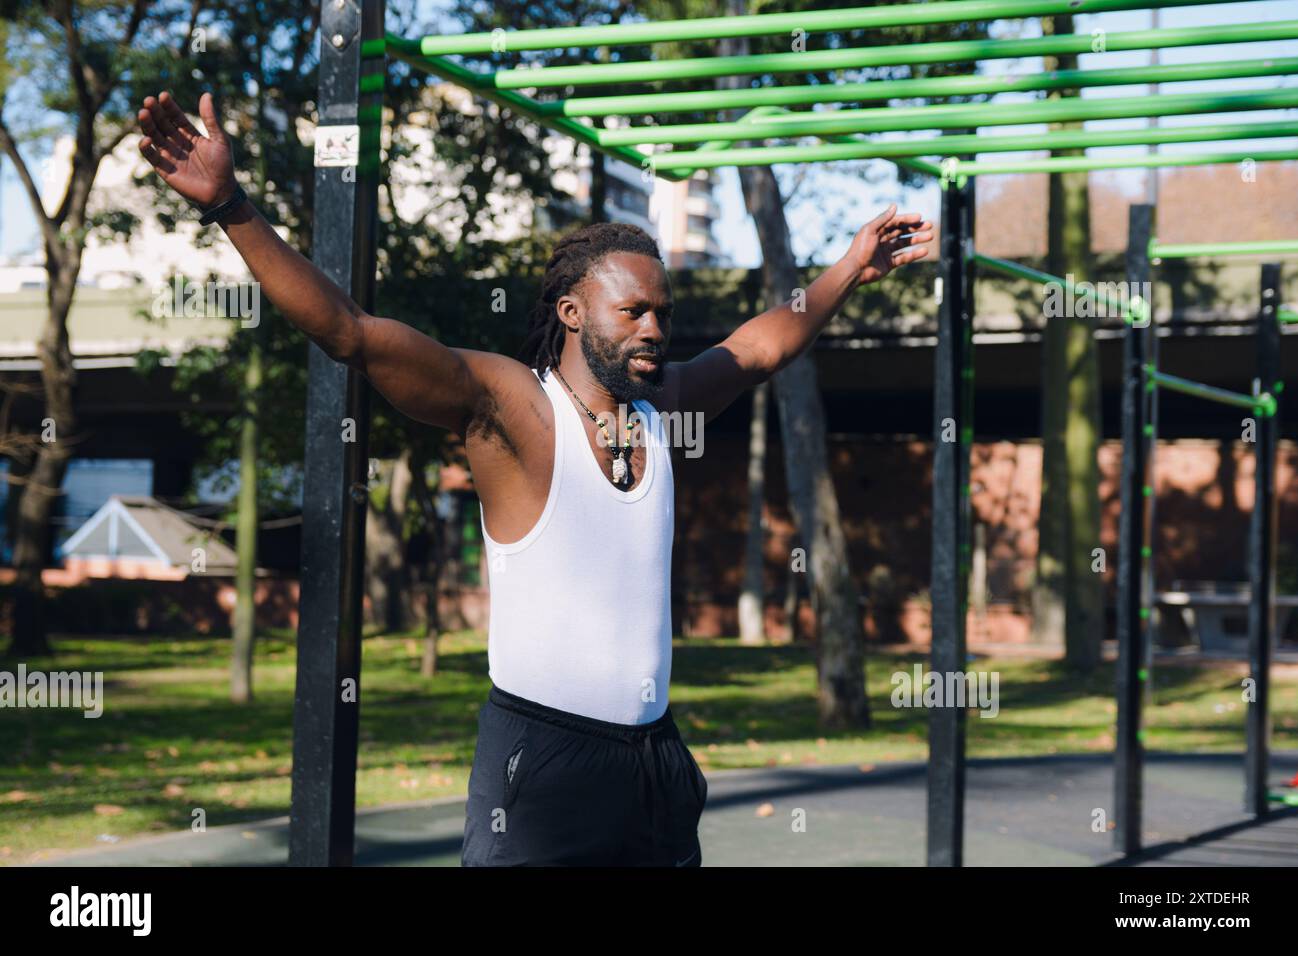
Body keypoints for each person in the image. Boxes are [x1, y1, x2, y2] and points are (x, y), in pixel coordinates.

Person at [137, 90, 933, 867]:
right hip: (543, 761)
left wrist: (850, 266)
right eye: (634, 312)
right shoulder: (512, 410)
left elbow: (763, 349)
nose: (656, 327)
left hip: (656, 764)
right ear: (573, 312)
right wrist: (231, 205)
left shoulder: (661, 407)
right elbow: (350, 333)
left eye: (662, 310)